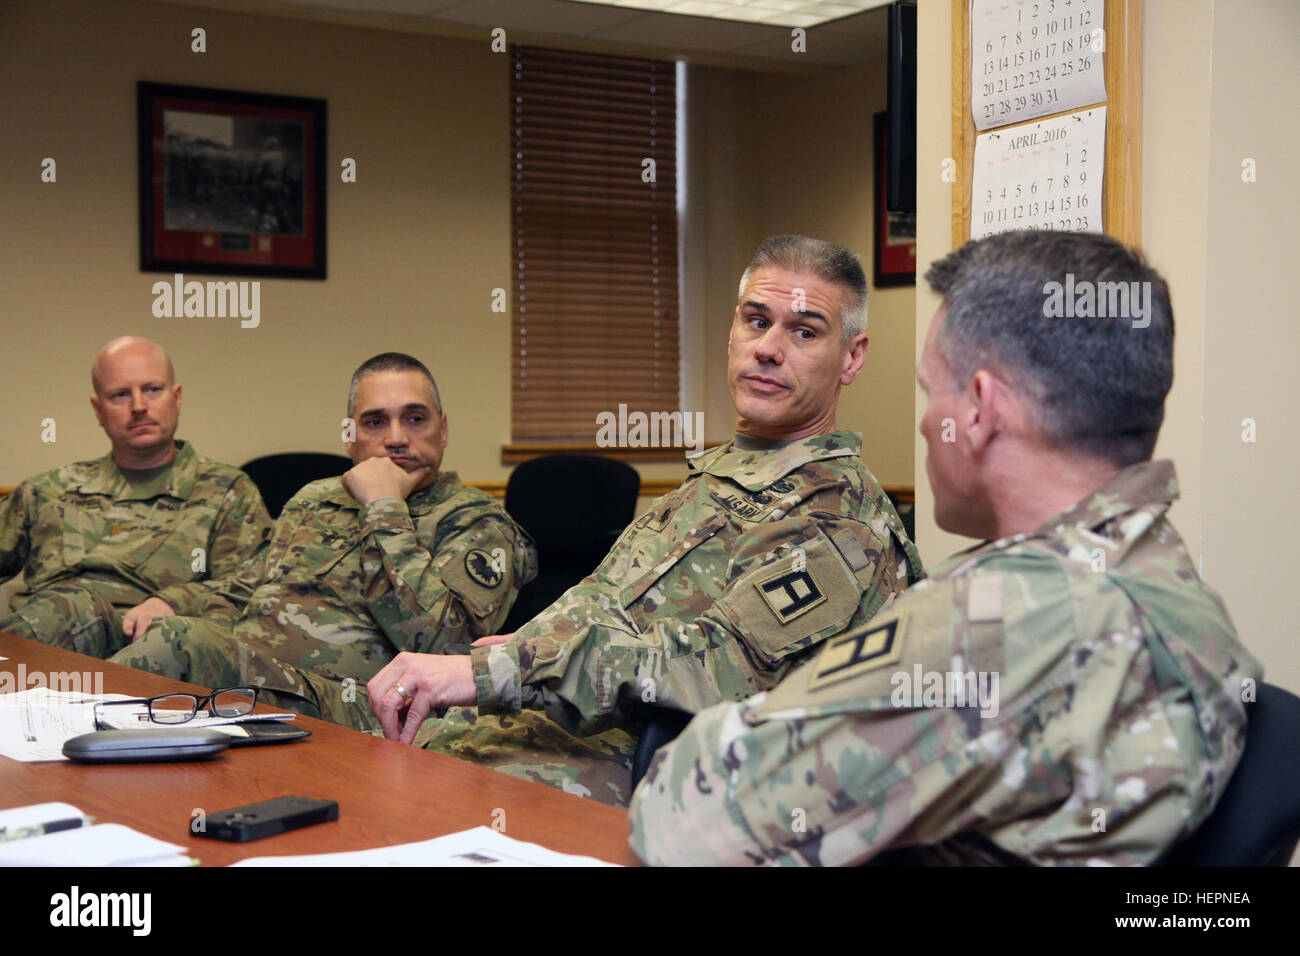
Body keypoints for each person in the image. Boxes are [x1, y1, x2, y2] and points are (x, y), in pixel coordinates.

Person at [627, 229, 1264, 866]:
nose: (929, 422)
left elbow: (687, 818)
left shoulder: (1005, 617)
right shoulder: (1162, 573)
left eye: (932, 393)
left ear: (981, 409)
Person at [363, 236, 923, 807]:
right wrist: (536, 645)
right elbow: (620, 611)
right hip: (537, 730)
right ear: (732, 331)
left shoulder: (841, 522)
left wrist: (505, 668)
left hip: (652, 780)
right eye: (757, 321)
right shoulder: (722, 476)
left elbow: (714, 665)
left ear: (852, 357)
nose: (768, 349)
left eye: (804, 331)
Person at [111, 353, 537, 730]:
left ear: (442, 430)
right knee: (166, 629)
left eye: (415, 418)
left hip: (364, 708)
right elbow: (245, 587)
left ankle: (61, 733)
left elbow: (444, 646)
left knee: (181, 644)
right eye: (375, 421)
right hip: (257, 676)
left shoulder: (476, 521)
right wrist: (173, 602)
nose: (396, 437)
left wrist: (384, 507)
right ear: (350, 435)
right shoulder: (316, 498)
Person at [0, 336, 271, 658]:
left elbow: (252, 589)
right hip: (44, 646)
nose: (139, 406)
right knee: (67, 606)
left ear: (177, 397)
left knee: (76, 606)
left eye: (152, 389)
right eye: (120, 394)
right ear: (98, 410)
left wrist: (174, 601)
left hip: (150, 658)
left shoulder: (227, 492)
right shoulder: (48, 491)